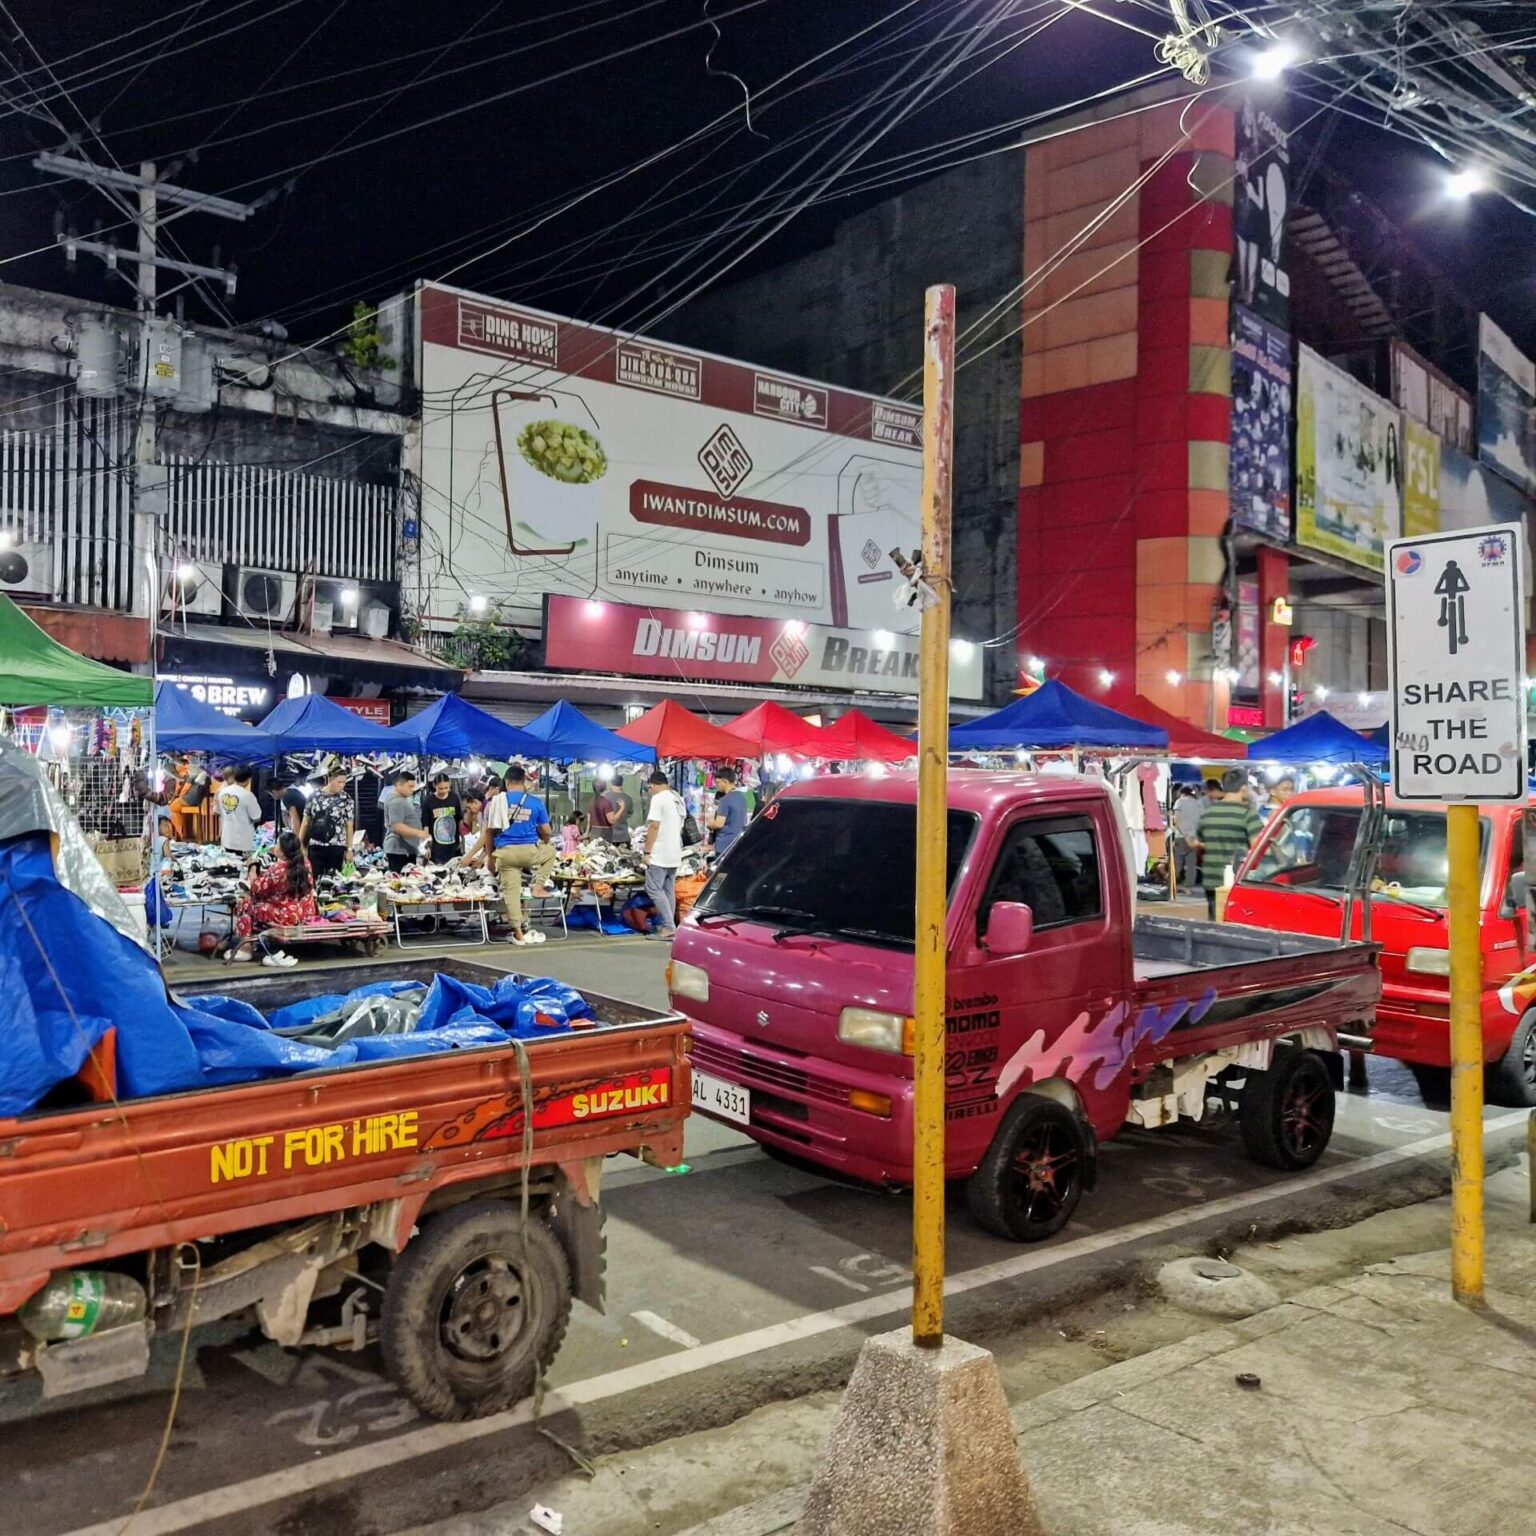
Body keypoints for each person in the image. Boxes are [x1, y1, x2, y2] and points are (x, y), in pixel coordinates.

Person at [481, 764, 557, 946]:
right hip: (529, 852)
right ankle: (538, 886)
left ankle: (518, 934)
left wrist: (491, 858)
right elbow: (547, 832)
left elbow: (489, 833)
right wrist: (543, 842)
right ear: (524, 782)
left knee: (512, 893)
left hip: (505, 854)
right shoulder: (535, 802)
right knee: (551, 851)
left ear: (506, 782)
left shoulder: (495, 803)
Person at [228, 830, 316, 968]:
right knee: (251, 906)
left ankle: (245, 949)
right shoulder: (305, 863)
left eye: (277, 845)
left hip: (284, 916)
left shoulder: (279, 868)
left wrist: (252, 868)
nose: (275, 847)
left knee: (244, 905)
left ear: (283, 851)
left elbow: (256, 889)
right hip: (303, 912)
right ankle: (244, 945)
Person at [1195, 767, 1264, 921]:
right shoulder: (1247, 813)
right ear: (1244, 789)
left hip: (1211, 879)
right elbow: (1257, 847)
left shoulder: (1208, 813)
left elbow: (1199, 843)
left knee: (1214, 922)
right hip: (1236, 881)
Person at [643, 769, 685, 941]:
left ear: (652, 785)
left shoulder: (658, 798)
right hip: (675, 851)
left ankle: (668, 926)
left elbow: (654, 826)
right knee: (668, 889)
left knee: (653, 888)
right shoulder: (677, 798)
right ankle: (670, 925)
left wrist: (647, 851)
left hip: (660, 852)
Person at [301, 761, 354, 879]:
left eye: (344, 782)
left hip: (337, 845)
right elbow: (306, 821)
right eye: (339, 782)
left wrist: (349, 849)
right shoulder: (314, 797)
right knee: (314, 879)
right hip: (316, 844)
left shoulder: (347, 799)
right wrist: (300, 844)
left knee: (335, 880)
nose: (342, 785)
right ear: (329, 779)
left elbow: (349, 825)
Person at [379, 768, 429, 873]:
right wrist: (419, 833)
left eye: (413, 786)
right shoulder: (396, 802)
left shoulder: (399, 799)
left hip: (405, 849)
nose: (412, 790)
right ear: (399, 784)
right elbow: (396, 826)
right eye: (409, 786)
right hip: (399, 849)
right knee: (402, 882)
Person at [216, 764, 263, 856]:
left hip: (226, 839)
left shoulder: (222, 792)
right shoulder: (248, 795)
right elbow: (256, 817)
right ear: (249, 779)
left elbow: (218, 812)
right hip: (243, 842)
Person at [707, 766, 750, 861]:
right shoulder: (743, 798)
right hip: (738, 843)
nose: (717, 786)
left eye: (718, 783)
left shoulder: (725, 800)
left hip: (724, 845)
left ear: (725, 781)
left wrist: (710, 822)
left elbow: (719, 824)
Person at [421, 771, 464, 865]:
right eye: (440, 788)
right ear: (434, 785)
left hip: (453, 844)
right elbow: (426, 826)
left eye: (446, 788)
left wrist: (463, 839)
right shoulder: (428, 801)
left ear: (450, 784)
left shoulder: (454, 797)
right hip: (436, 847)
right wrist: (426, 846)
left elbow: (459, 819)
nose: (444, 791)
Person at [1171, 784, 1204, 892]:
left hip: (1181, 836)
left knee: (1177, 862)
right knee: (1191, 864)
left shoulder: (1179, 801)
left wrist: (1182, 832)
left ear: (1182, 793)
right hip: (1194, 838)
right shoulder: (1198, 803)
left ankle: (1173, 885)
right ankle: (1188, 886)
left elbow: (1176, 820)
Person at [588, 779, 620, 844]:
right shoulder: (605, 802)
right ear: (605, 787)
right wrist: (621, 808)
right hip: (604, 836)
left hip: (593, 834)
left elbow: (589, 820)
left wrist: (586, 833)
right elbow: (612, 820)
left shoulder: (591, 801)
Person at [460, 788, 487, 865]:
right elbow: (486, 842)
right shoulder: (481, 814)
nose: (469, 811)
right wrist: (480, 859)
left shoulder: (488, 808)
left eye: (468, 807)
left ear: (475, 802)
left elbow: (484, 836)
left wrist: (469, 856)